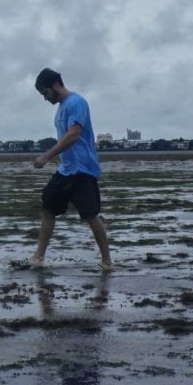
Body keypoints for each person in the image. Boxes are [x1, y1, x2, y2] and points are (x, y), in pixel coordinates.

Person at [28, 68, 114, 272]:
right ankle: (38, 257)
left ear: (56, 85)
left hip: (83, 170)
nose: (45, 99)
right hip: (66, 170)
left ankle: (107, 262)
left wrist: (46, 156)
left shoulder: (77, 103)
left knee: (91, 215)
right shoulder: (62, 108)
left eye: (45, 93)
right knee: (48, 208)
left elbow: (74, 134)